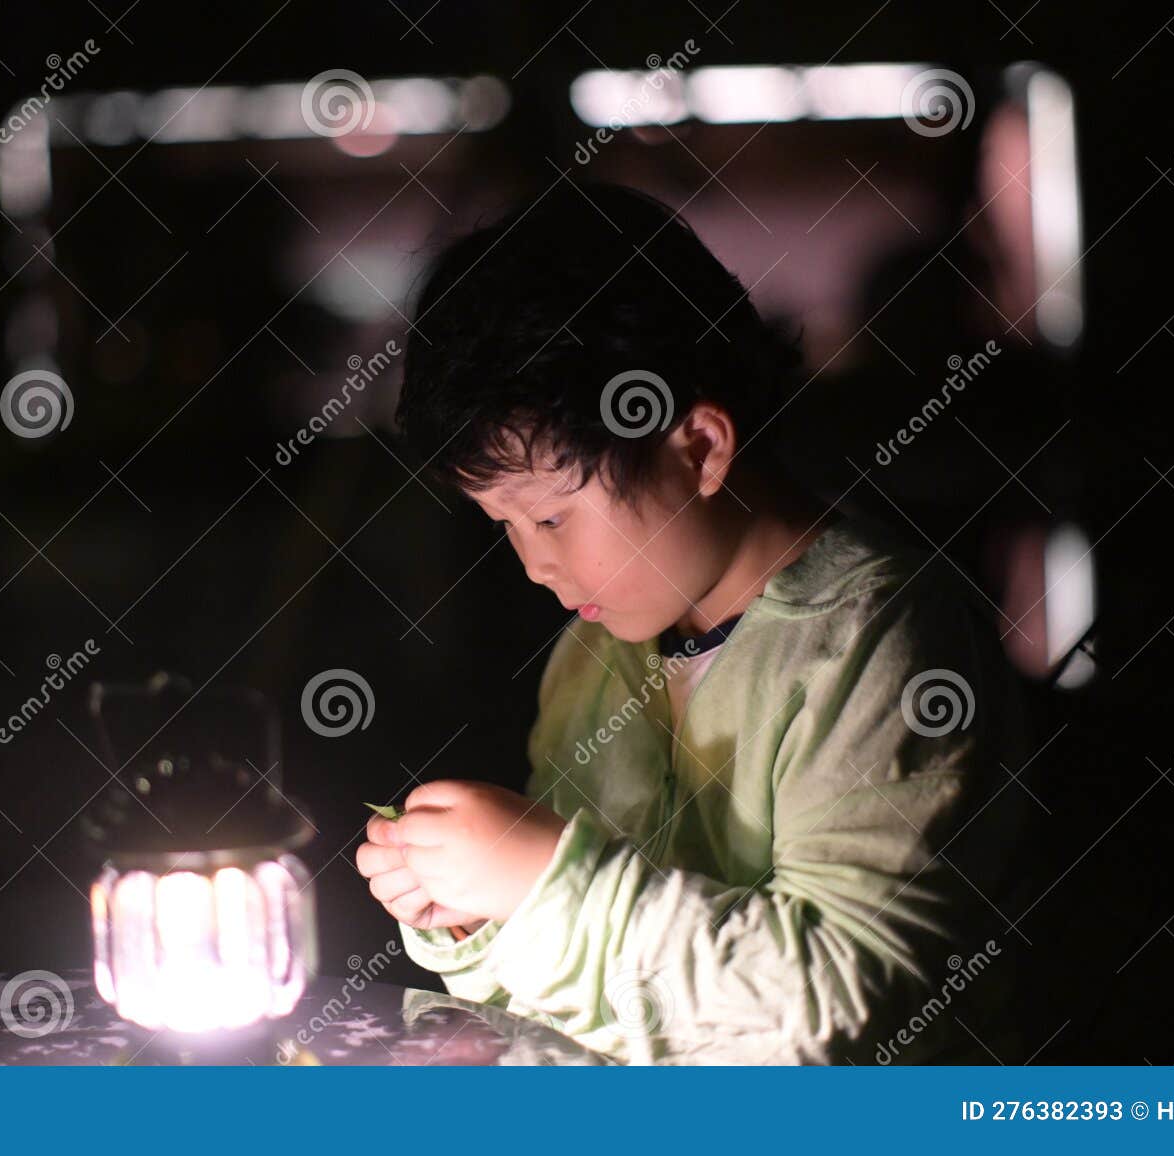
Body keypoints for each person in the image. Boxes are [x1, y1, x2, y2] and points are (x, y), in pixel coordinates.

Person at [355, 181, 1036, 1064]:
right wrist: (484, 914)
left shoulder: (880, 644)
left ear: (700, 449)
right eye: (504, 526)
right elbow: (599, 1003)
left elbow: (839, 1009)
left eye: (552, 516)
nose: (534, 564)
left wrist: (547, 883)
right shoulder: (594, 658)